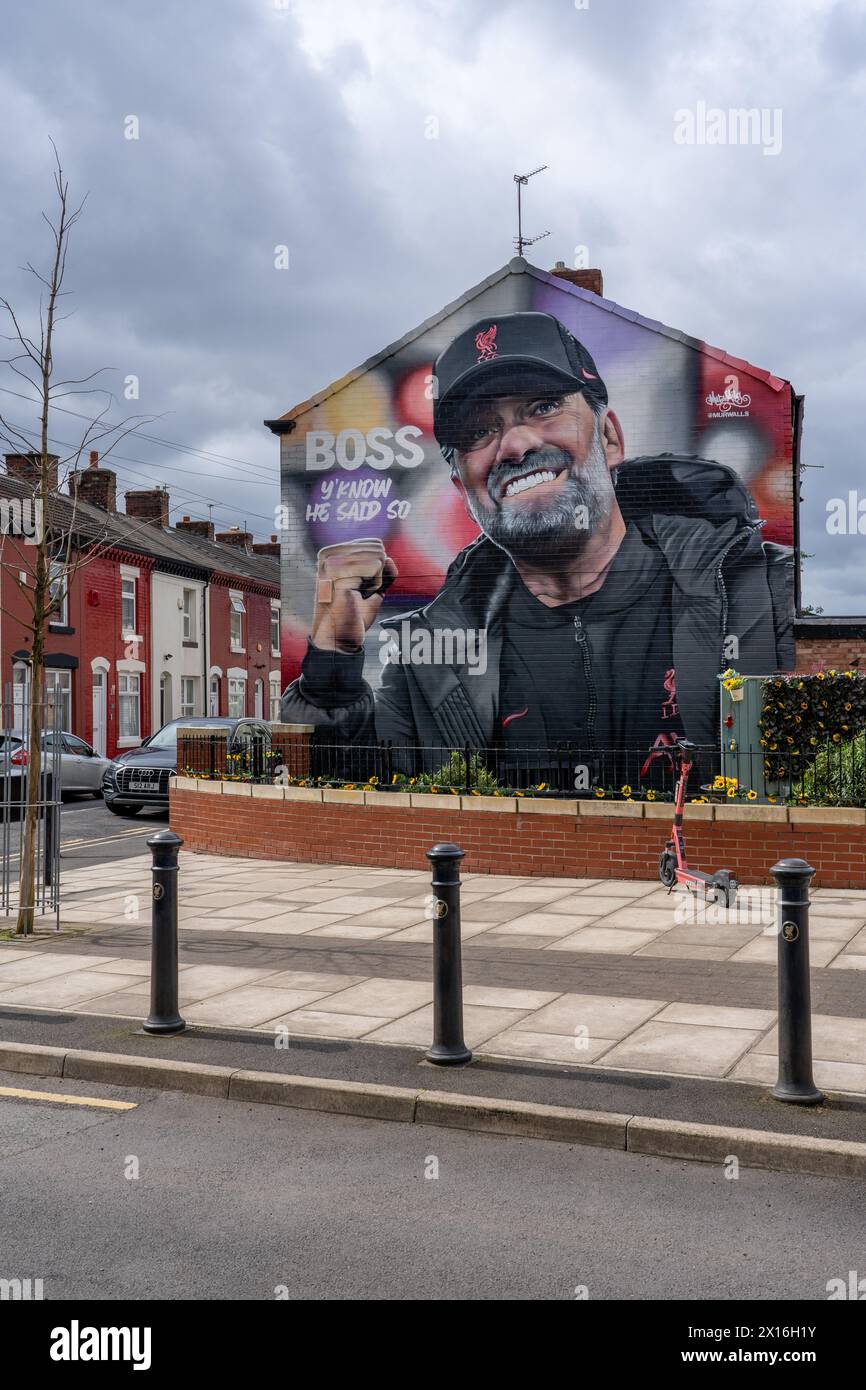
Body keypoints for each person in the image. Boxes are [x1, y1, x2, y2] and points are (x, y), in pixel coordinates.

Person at [282, 311, 793, 786]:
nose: (516, 445)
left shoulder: (762, 593)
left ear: (610, 439)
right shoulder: (427, 658)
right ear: (465, 491)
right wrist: (333, 664)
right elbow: (350, 798)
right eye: (481, 431)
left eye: (544, 407)